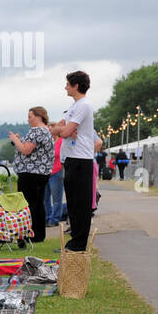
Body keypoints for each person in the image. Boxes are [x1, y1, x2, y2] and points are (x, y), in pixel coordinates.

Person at [50, 70, 96, 252]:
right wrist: (62, 128)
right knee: (73, 203)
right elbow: (59, 127)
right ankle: (74, 241)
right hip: (71, 158)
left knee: (80, 203)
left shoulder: (84, 105)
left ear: (76, 86)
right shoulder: (74, 106)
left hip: (80, 158)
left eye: (68, 84)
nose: (65, 87)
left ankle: (79, 243)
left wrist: (61, 129)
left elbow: (64, 131)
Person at [9, 107, 54, 242]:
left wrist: (14, 139)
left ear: (38, 117)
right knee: (39, 204)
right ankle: (39, 235)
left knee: (28, 205)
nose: (28, 119)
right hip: (42, 173)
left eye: (30, 117)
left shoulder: (36, 131)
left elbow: (26, 149)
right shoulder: (46, 131)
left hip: (30, 173)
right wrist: (18, 140)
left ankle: (30, 234)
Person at [45, 136, 65, 225]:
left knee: (56, 198)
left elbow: (61, 155)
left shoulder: (61, 141)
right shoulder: (47, 142)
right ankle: (47, 217)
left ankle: (55, 219)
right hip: (46, 172)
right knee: (45, 198)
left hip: (57, 172)